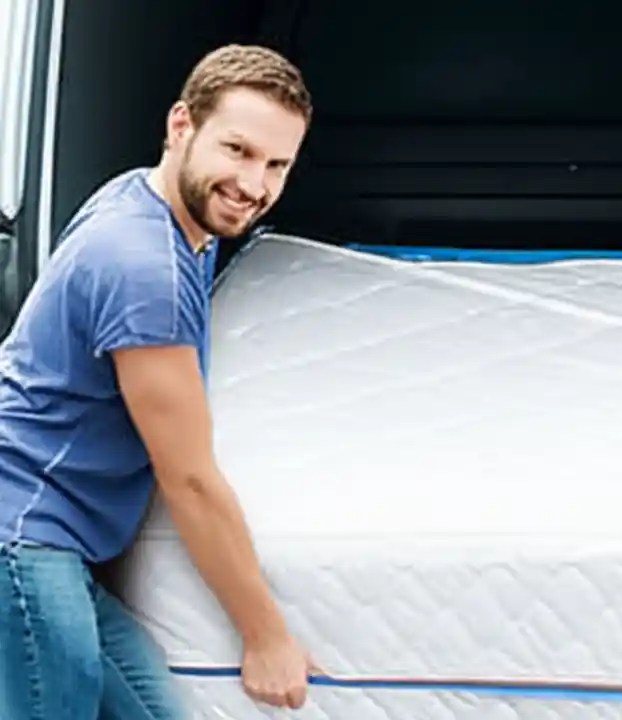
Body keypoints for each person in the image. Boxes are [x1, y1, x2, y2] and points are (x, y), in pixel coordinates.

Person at [0, 44, 317, 717]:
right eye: (237, 150)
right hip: (22, 537)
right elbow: (191, 480)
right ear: (182, 126)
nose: (254, 184)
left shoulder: (149, 199)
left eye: (276, 165)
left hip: (54, 536)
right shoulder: (145, 269)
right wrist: (266, 636)